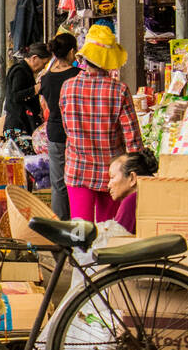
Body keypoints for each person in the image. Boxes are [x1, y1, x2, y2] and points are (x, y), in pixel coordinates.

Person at [58, 25, 143, 223]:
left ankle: (79, 255)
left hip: (77, 168)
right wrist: (139, 169)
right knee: (110, 230)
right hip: (112, 173)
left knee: (80, 231)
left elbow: (67, 127)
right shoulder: (119, 90)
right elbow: (132, 137)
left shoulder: (68, 87)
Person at [38, 32, 80, 219]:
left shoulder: (46, 79)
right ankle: (79, 219)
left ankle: (59, 227)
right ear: (72, 52)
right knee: (79, 180)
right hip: (77, 131)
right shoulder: (78, 76)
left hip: (55, 131)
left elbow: (45, 105)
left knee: (58, 182)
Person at [3, 43, 50, 152]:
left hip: (21, 125)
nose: (43, 67)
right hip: (18, 126)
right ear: (34, 58)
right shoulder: (20, 71)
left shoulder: (25, 71)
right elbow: (15, 96)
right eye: (44, 63)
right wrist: (35, 89)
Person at [108, 149, 159, 235]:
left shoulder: (132, 201)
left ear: (132, 178)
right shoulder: (156, 193)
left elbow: (116, 239)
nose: (109, 185)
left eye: (112, 177)